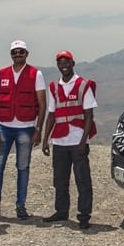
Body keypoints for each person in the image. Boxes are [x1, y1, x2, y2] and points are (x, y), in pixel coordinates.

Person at [0, 40, 46, 220]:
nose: (18, 54)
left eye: (21, 52)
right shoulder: (2, 74)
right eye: (15, 52)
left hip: (26, 128)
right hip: (4, 127)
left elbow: (42, 103)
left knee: (23, 167)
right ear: (11, 54)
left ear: (27, 54)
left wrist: (38, 129)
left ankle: (21, 206)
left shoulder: (35, 74)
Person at [41, 50, 97, 229]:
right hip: (59, 141)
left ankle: (84, 216)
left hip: (77, 140)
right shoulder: (54, 87)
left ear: (73, 63)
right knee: (60, 179)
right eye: (60, 62)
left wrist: (83, 141)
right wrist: (45, 139)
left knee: (82, 180)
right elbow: (51, 115)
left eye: (66, 62)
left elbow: (89, 116)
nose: (63, 65)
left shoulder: (83, 85)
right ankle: (61, 211)